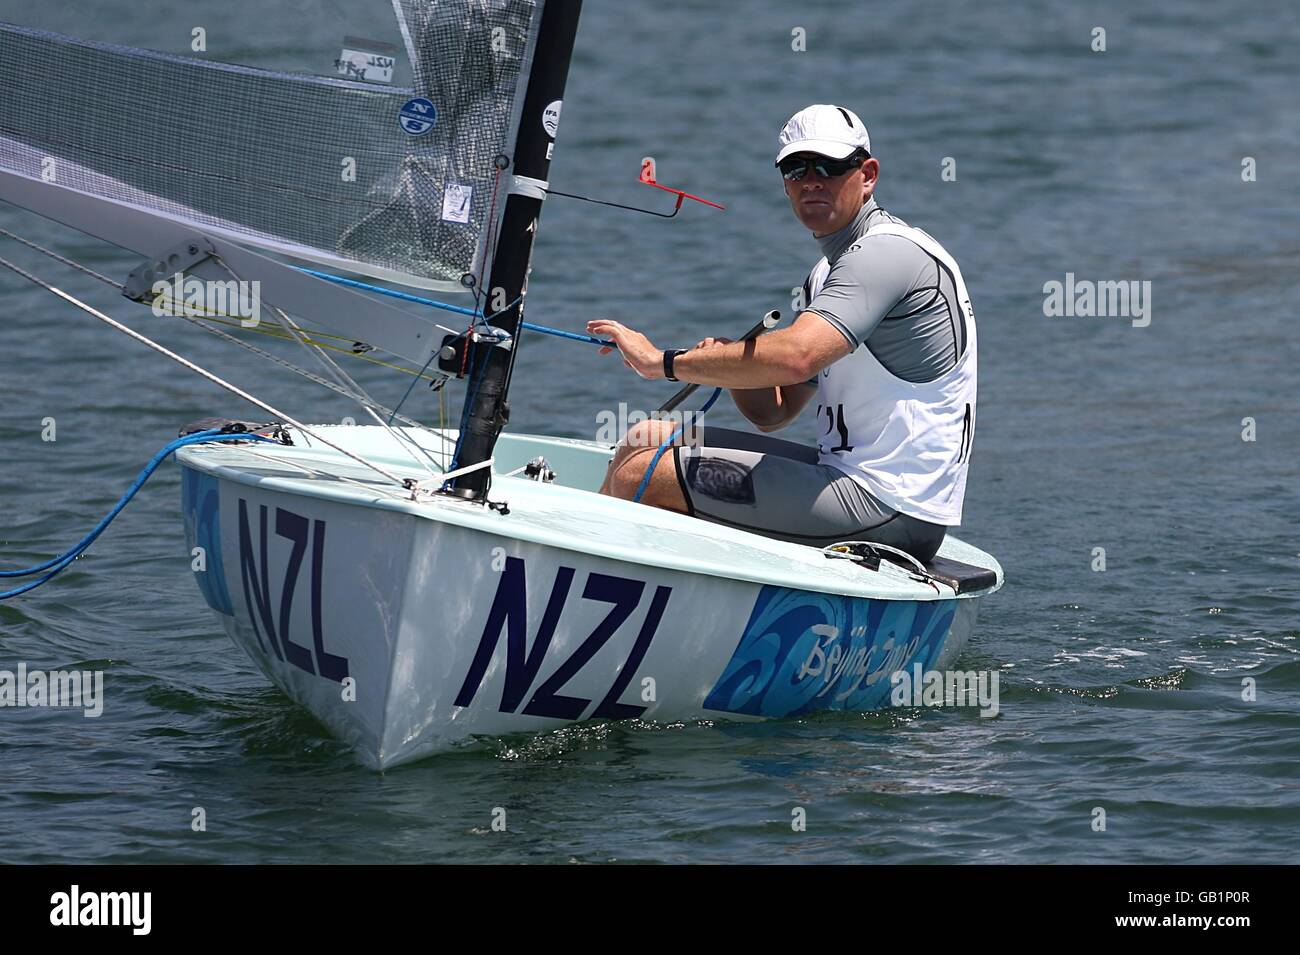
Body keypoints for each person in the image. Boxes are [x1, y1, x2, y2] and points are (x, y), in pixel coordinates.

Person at [587, 104, 978, 563]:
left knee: (644, 475)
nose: (812, 180)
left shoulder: (886, 255)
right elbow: (775, 412)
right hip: (841, 476)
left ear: (867, 174)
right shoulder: (826, 274)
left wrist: (663, 363)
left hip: (891, 506)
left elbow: (798, 356)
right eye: (796, 169)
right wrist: (725, 367)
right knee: (644, 439)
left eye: (830, 167)